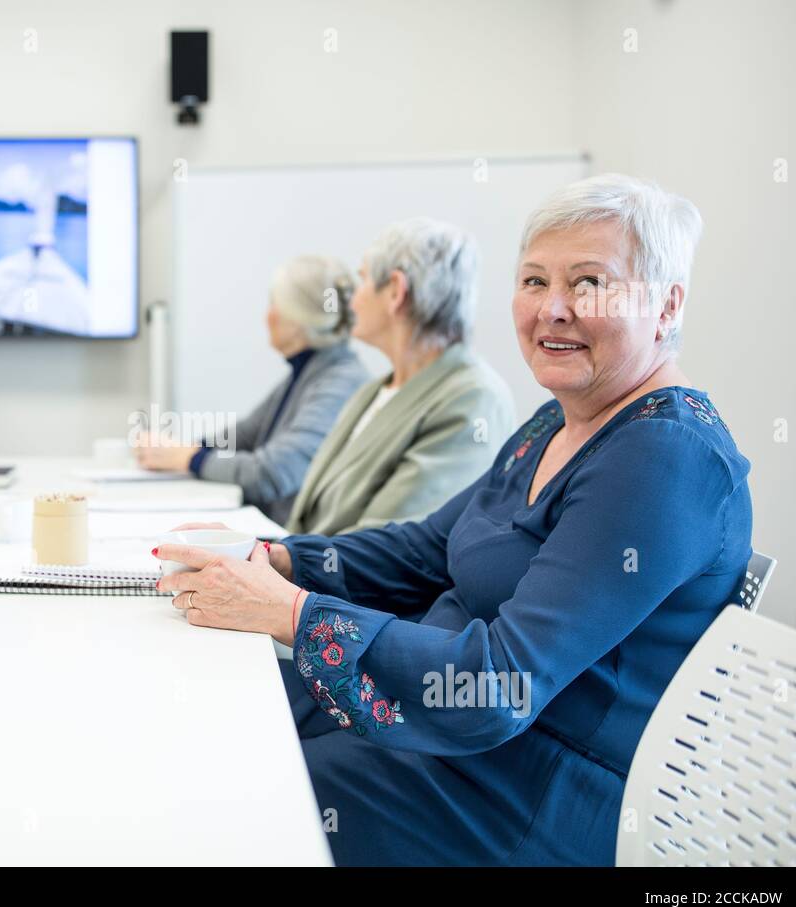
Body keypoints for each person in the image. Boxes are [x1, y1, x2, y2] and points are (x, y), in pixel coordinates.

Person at [154, 174, 753, 866]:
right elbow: (425, 551)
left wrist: (291, 612)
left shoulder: (664, 458)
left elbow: (499, 686)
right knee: (208, 712)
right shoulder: (554, 423)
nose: (553, 309)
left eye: (589, 282)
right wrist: (278, 557)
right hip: (441, 742)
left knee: (227, 797)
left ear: (666, 305)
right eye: (533, 281)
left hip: (517, 799)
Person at [285, 219, 515, 535]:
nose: (352, 301)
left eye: (362, 279)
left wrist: (280, 562)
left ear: (395, 291)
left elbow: (391, 546)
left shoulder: (472, 398)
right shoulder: (372, 392)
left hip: (335, 583)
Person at [134, 255, 369, 525]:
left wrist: (188, 458)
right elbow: (246, 435)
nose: (267, 316)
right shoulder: (311, 372)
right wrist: (181, 450)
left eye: (274, 305)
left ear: (297, 320)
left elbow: (272, 473)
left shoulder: (339, 383)